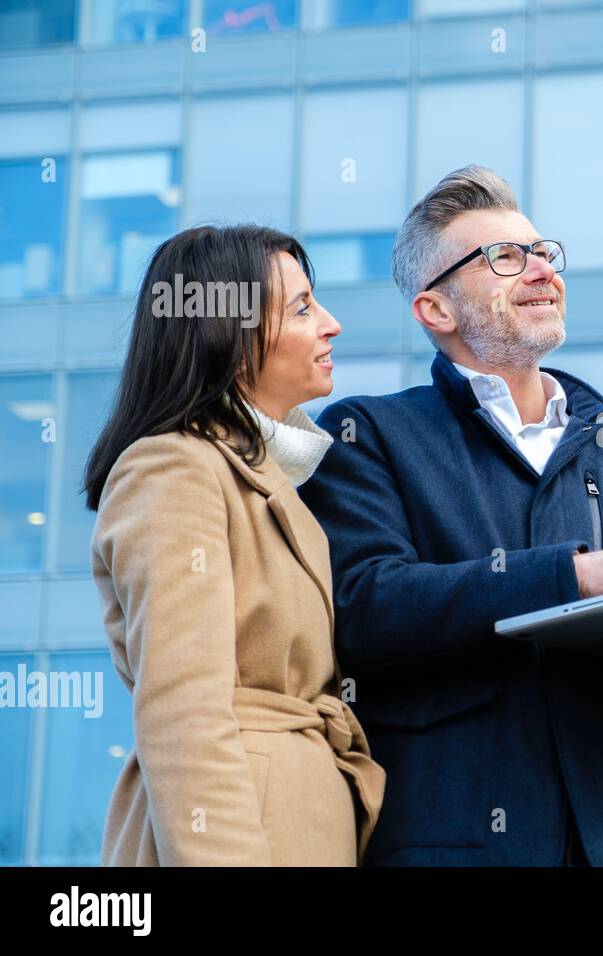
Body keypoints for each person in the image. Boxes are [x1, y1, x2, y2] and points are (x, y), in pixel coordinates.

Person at [299, 166, 603, 866]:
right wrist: (574, 576)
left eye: (543, 254)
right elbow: (365, 610)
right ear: (435, 310)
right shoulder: (367, 436)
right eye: (504, 258)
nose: (539, 271)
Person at [83, 224, 384, 866]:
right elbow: (183, 711)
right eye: (302, 308)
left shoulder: (262, 478)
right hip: (240, 830)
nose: (330, 324)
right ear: (229, 333)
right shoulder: (172, 468)